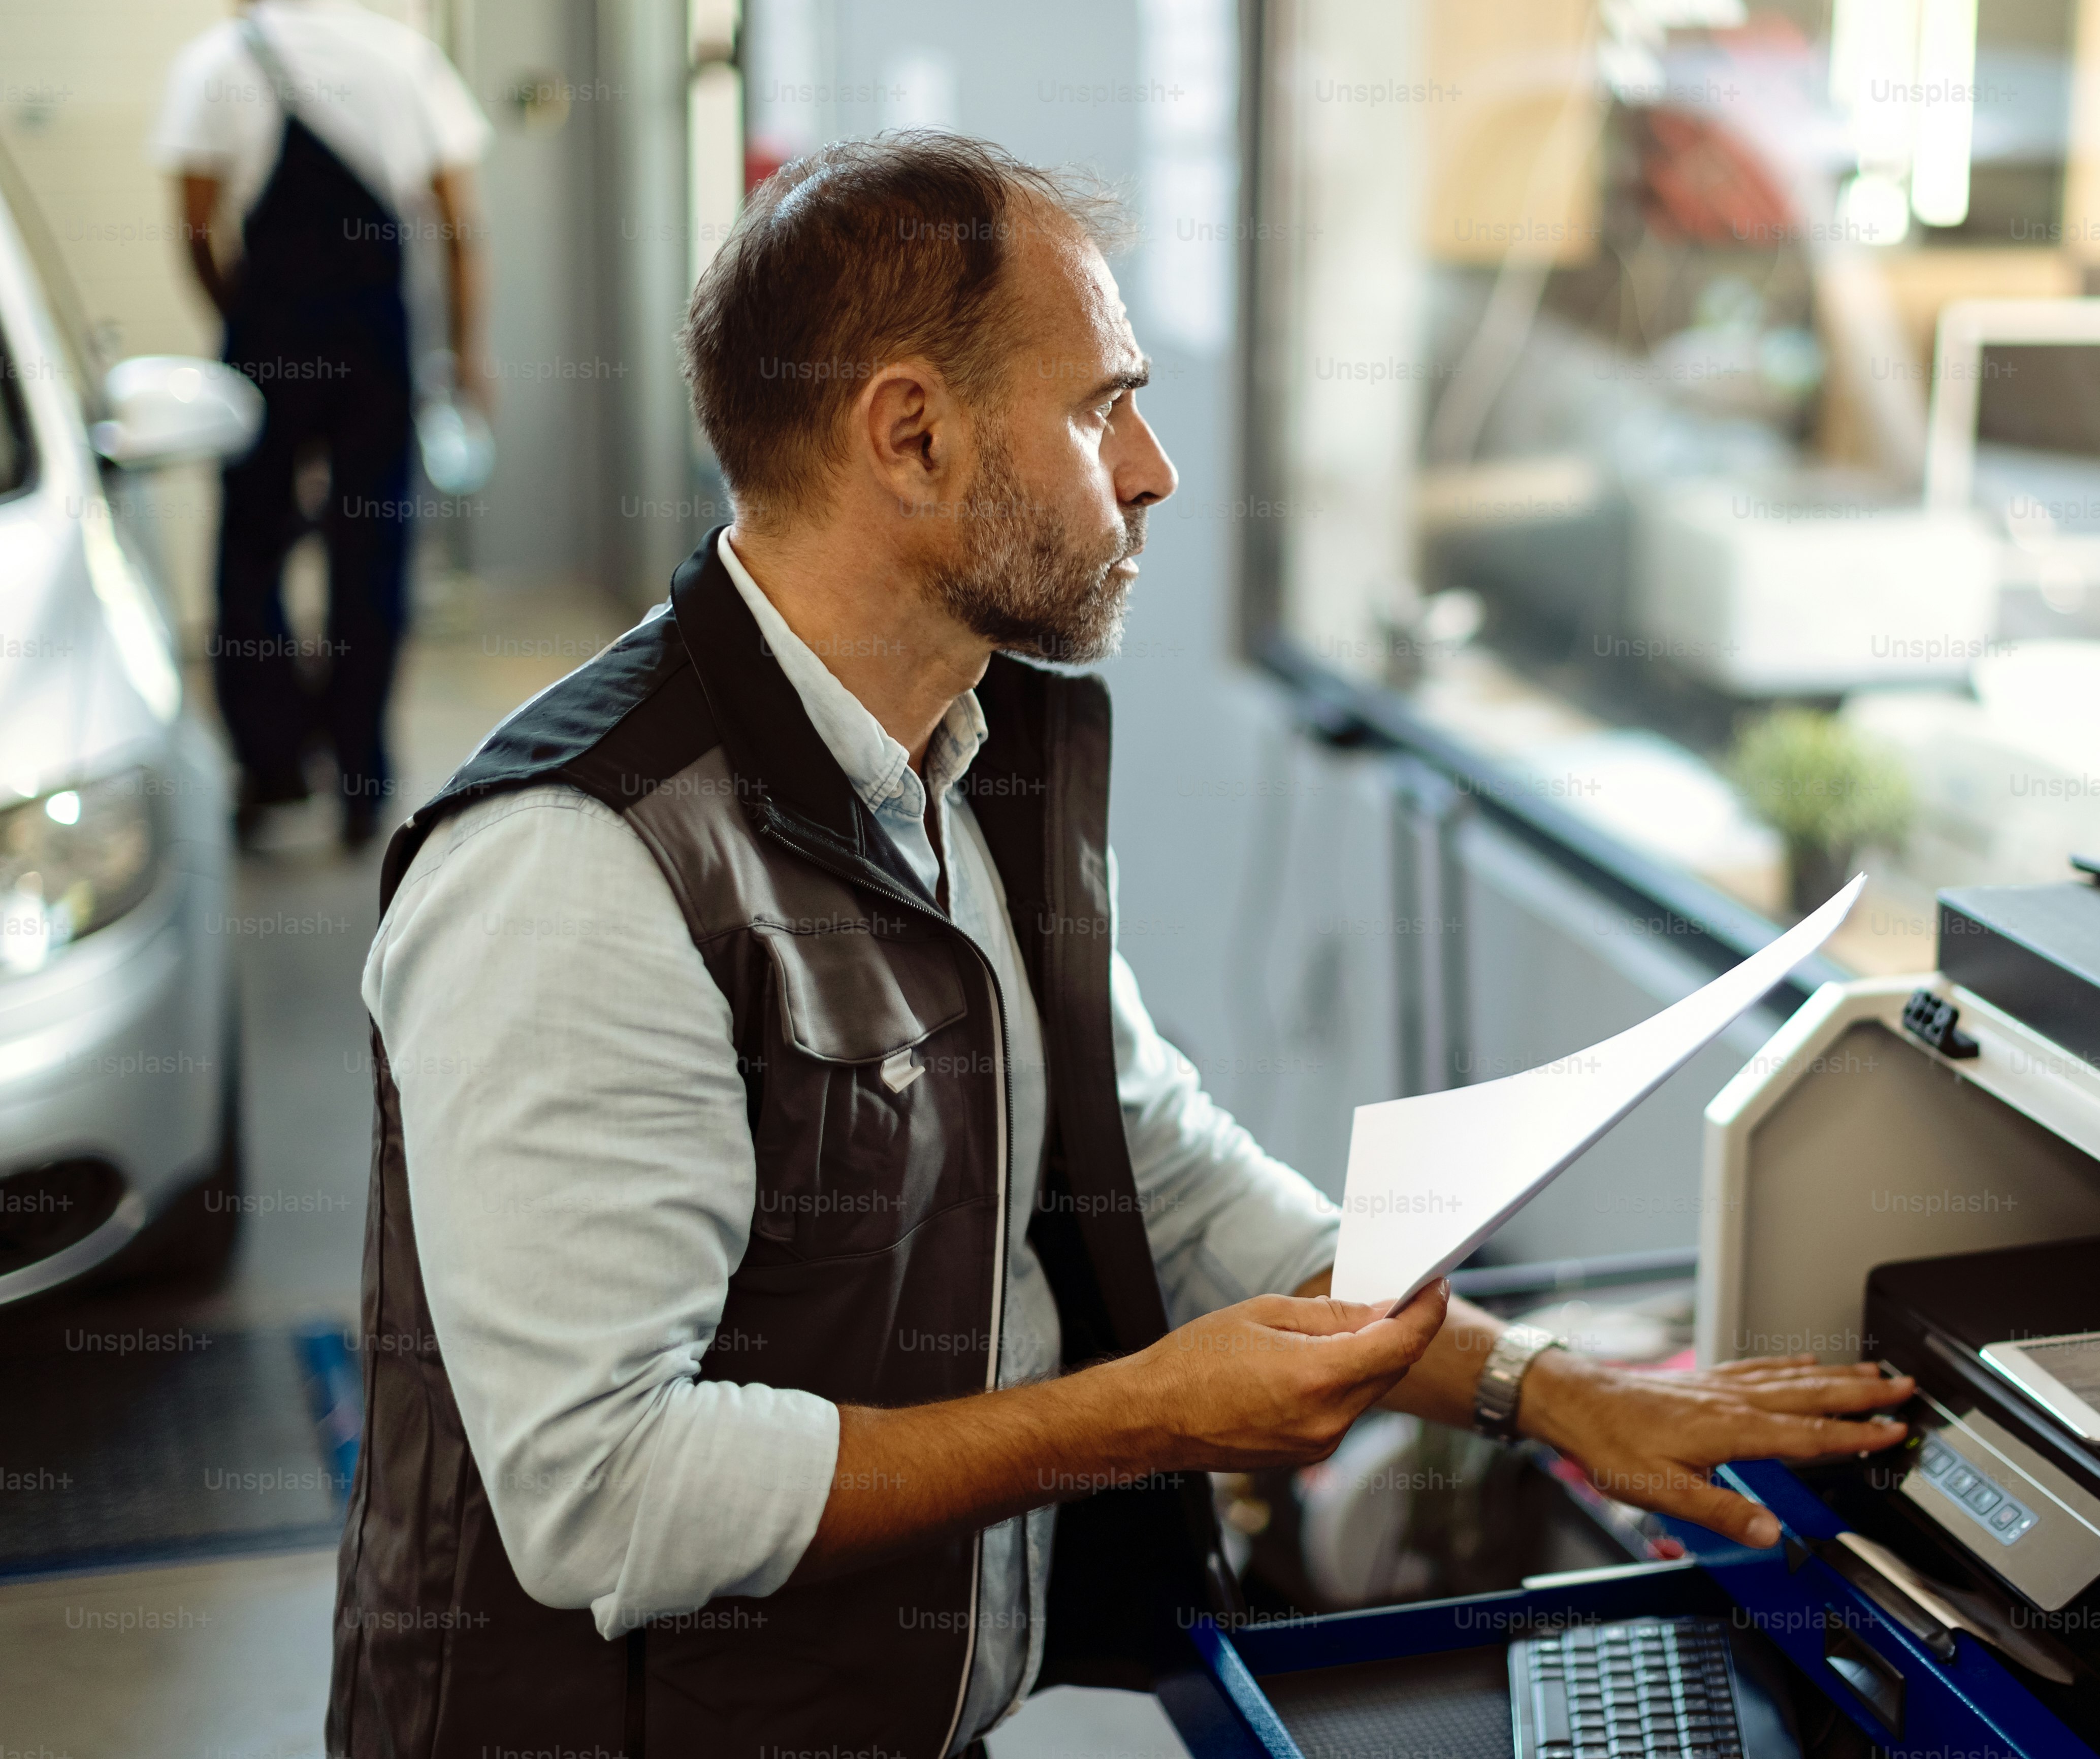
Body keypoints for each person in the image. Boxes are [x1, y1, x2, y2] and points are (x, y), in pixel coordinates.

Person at [328, 131, 1914, 1756]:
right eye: (1101, 407)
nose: (1151, 468)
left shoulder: (972, 761)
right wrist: (1143, 1417)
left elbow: (1153, 1167)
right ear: (912, 435)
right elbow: (605, 1497)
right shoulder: (576, 862)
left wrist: (1558, 1391)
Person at [149, 0, 490, 846]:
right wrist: (466, 354)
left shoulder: (215, 61)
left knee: (251, 546)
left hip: (271, 338)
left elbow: (191, 223)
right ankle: (361, 779)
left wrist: (241, 320)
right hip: (378, 335)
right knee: (369, 549)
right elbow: (460, 224)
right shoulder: (400, 55)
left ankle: (270, 769)